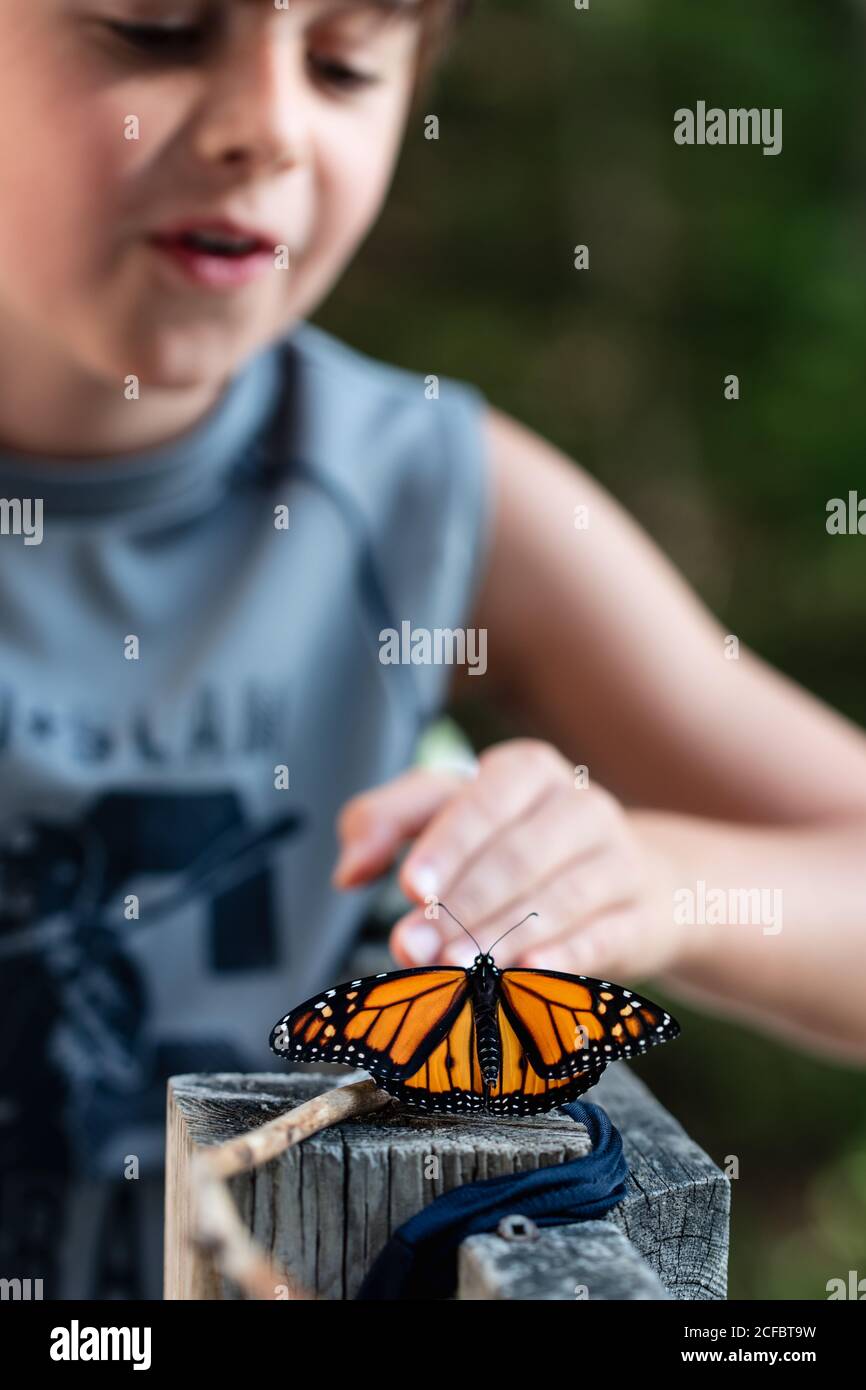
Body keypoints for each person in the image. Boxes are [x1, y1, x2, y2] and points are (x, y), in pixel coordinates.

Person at [0, 0, 863, 1301]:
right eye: (156, 27)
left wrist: (650, 875)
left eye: (343, 64)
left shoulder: (423, 490)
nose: (267, 127)